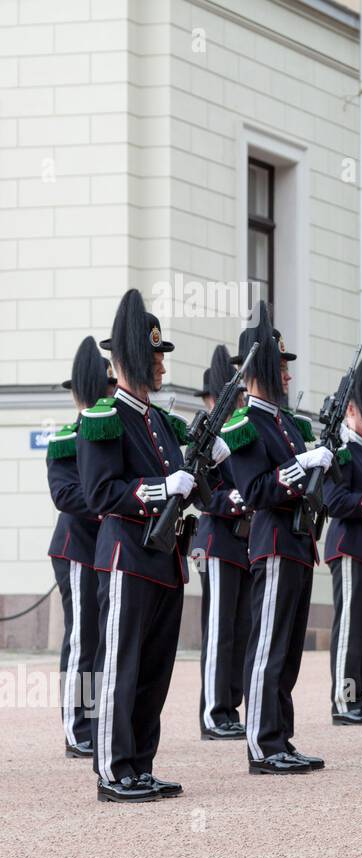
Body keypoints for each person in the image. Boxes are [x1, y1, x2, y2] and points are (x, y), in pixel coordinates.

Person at [78, 289, 206, 801]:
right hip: (127, 557)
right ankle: (113, 770)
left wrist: (203, 467)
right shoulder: (105, 417)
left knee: (154, 672)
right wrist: (160, 489)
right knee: (122, 665)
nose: (160, 362)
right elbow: (100, 492)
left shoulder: (159, 422)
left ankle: (140, 764)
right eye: (154, 353)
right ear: (130, 354)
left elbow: (192, 487)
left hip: (164, 561)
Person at [223, 305, 328, 774]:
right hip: (273, 541)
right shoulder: (245, 424)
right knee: (267, 644)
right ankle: (262, 744)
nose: (287, 374)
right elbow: (256, 490)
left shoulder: (286, 424)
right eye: (281, 365)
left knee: (286, 648)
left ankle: (280, 736)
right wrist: (301, 467)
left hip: (298, 542)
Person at [47, 336, 114, 759]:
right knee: (83, 639)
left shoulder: (109, 433)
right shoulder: (67, 440)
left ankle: (95, 718)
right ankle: (77, 726)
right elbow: (66, 497)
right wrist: (109, 501)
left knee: (103, 639)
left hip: (105, 548)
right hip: (77, 547)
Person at [322, 354, 362, 725]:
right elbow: (335, 501)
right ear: (350, 410)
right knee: (350, 626)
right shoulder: (340, 449)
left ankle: (358, 696)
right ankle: (344, 700)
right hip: (349, 546)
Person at [194, 345, 252, 741]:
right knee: (219, 629)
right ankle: (215, 712)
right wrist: (233, 499)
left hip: (243, 541)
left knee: (241, 627)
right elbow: (201, 489)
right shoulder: (205, 435)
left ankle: (231, 705)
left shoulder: (238, 430)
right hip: (215, 539)